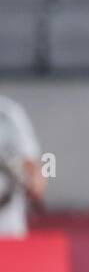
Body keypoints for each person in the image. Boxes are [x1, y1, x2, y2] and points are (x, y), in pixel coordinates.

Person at [0, 95, 44, 238]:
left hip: (7, 213)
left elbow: (29, 157)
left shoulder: (9, 113)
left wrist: (36, 182)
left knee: (12, 258)